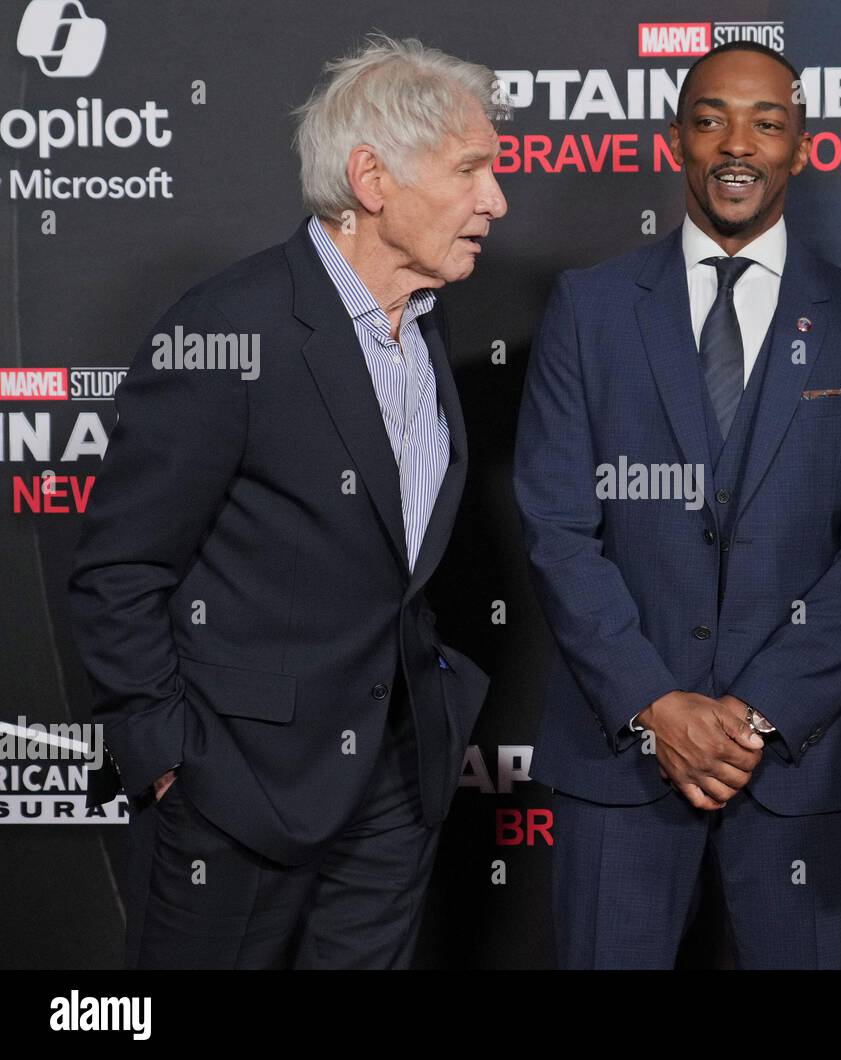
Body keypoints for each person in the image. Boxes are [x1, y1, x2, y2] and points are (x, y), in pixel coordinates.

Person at [67, 34, 505, 969]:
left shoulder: (423, 325)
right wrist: (173, 762)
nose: (496, 201)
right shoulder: (230, 329)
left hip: (394, 786)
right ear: (372, 178)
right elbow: (119, 569)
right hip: (234, 795)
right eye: (471, 170)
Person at [514, 41, 841, 968]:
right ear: (676, 140)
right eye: (710, 120)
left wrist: (754, 717)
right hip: (619, 760)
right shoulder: (589, 308)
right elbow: (557, 529)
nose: (736, 145)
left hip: (796, 769)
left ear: (802, 146)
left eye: (766, 123)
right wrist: (656, 703)